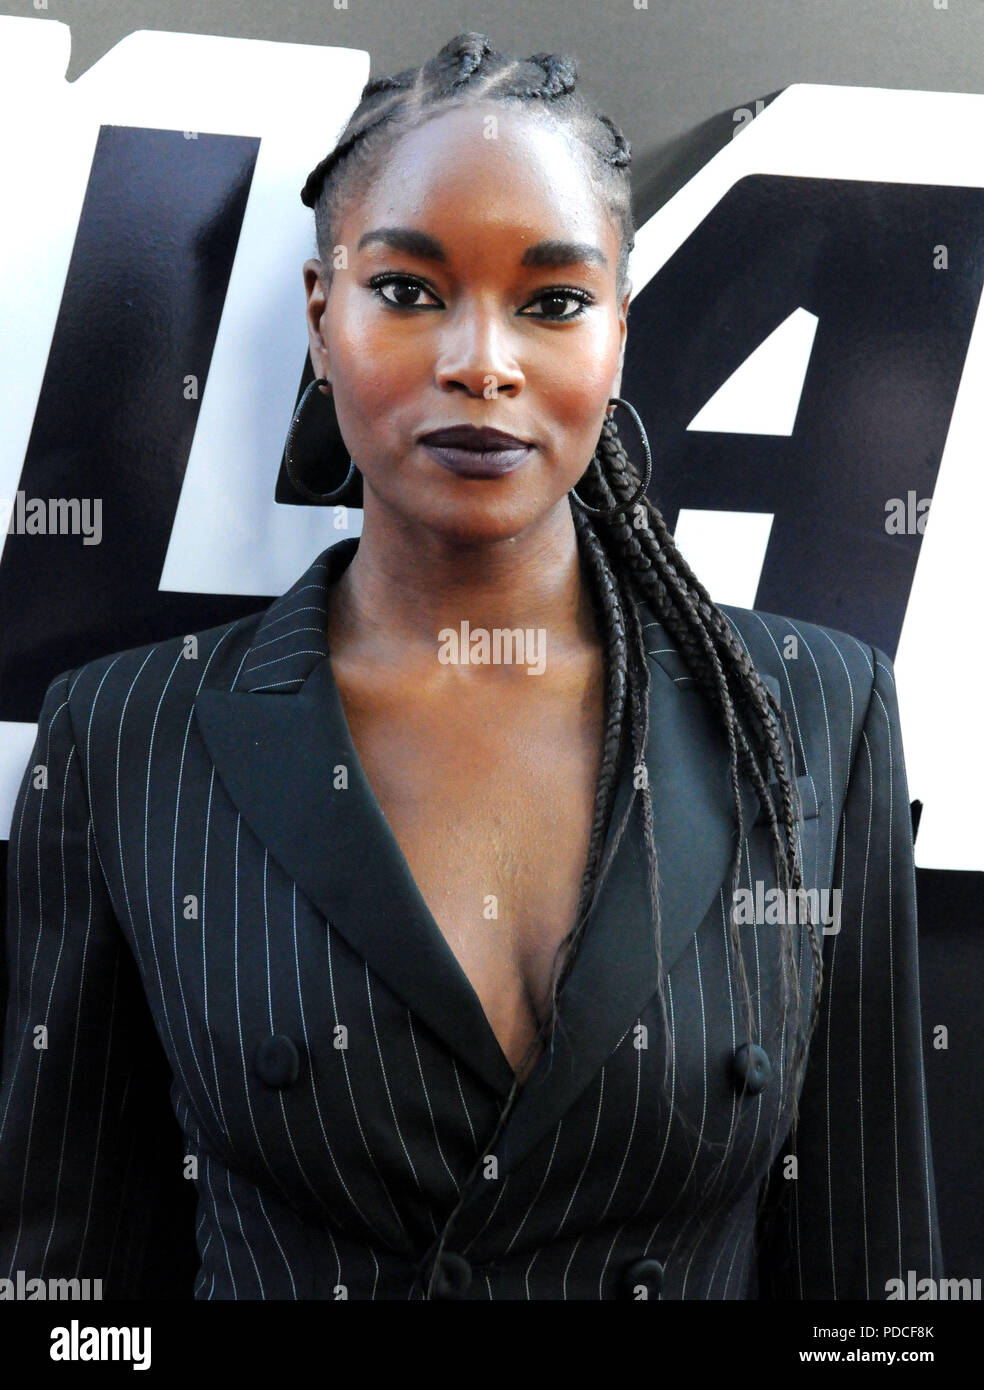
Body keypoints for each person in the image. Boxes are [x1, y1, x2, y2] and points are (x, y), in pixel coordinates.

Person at [0, 31, 942, 1301]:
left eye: (553, 301)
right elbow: (72, 1295)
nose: (481, 360)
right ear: (321, 315)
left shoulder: (817, 716)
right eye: (408, 289)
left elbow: (873, 1283)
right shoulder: (128, 736)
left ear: (617, 330)